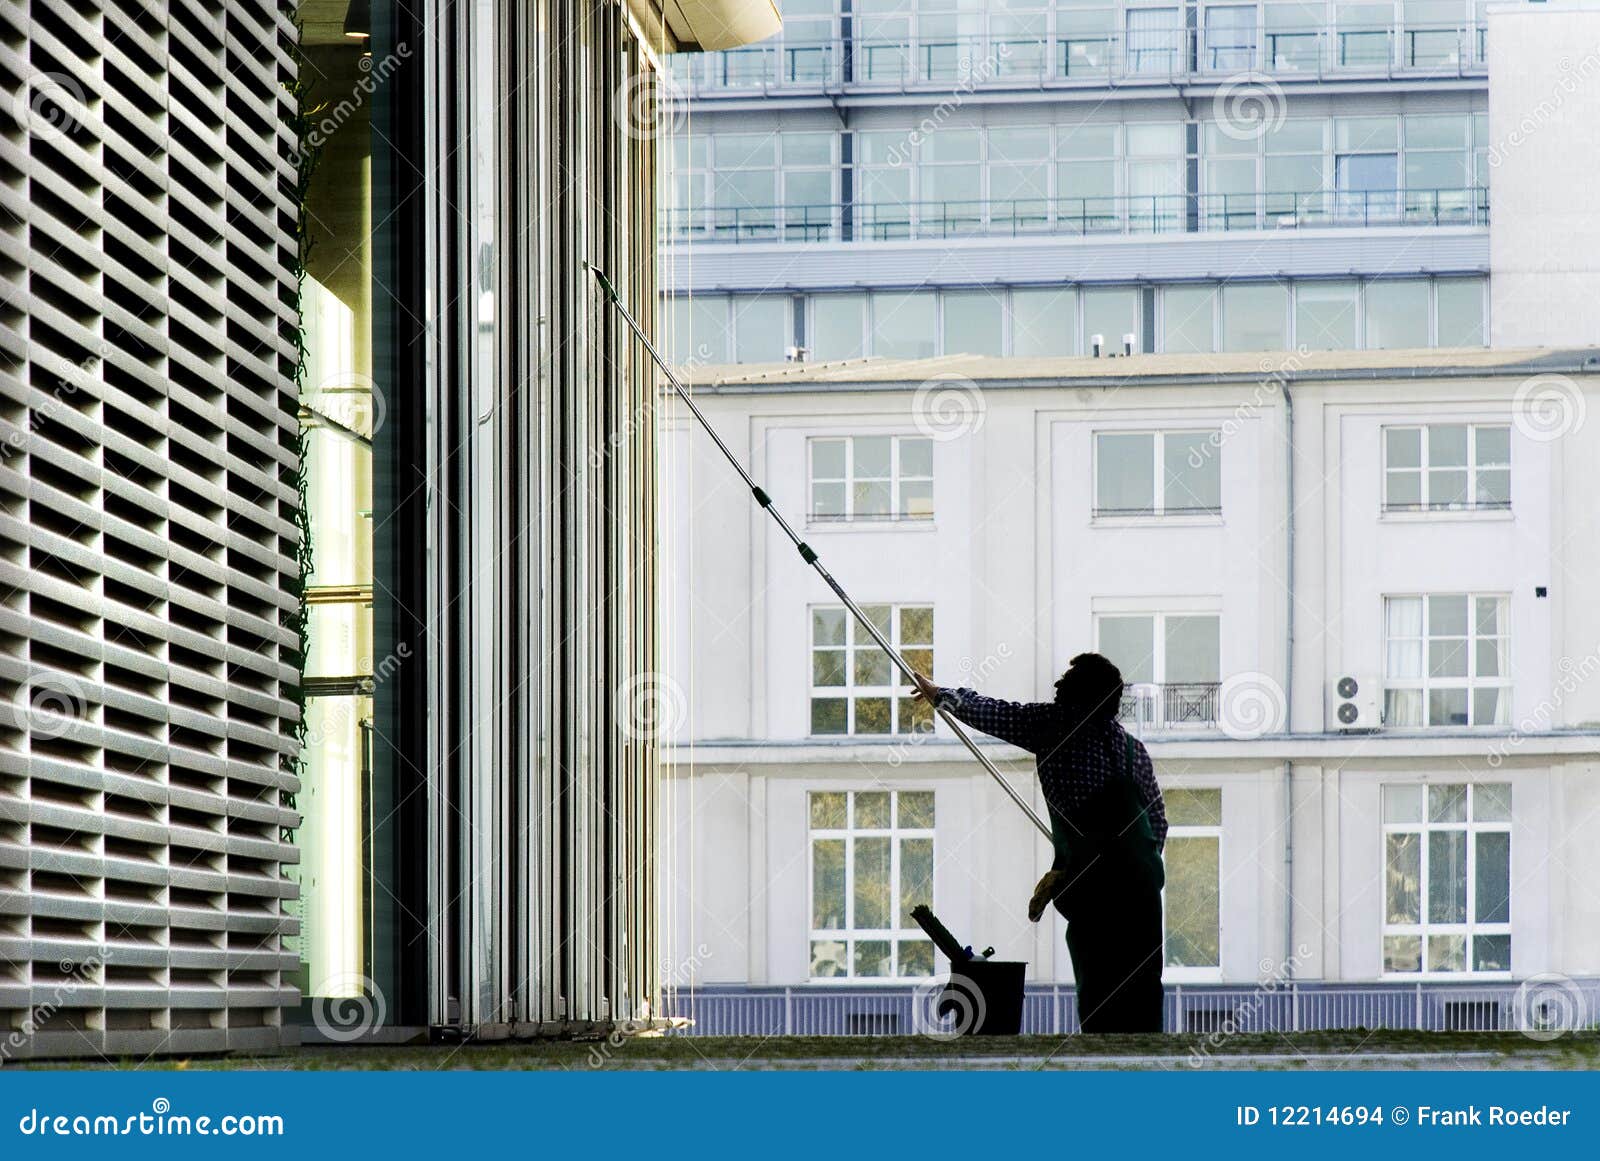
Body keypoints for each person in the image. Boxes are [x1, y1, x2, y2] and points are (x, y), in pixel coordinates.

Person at [910, 653, 1167, 1033]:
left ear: (1070, 693)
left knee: (1100, 995)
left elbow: (995, 713)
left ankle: (1106, 1075)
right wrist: (1131, 863)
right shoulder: (1134, 751)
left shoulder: (1055, 725)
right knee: (1143, 995)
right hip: (1142, 897)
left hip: (1093, 892)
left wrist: (940, 695)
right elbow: (1159, 822)